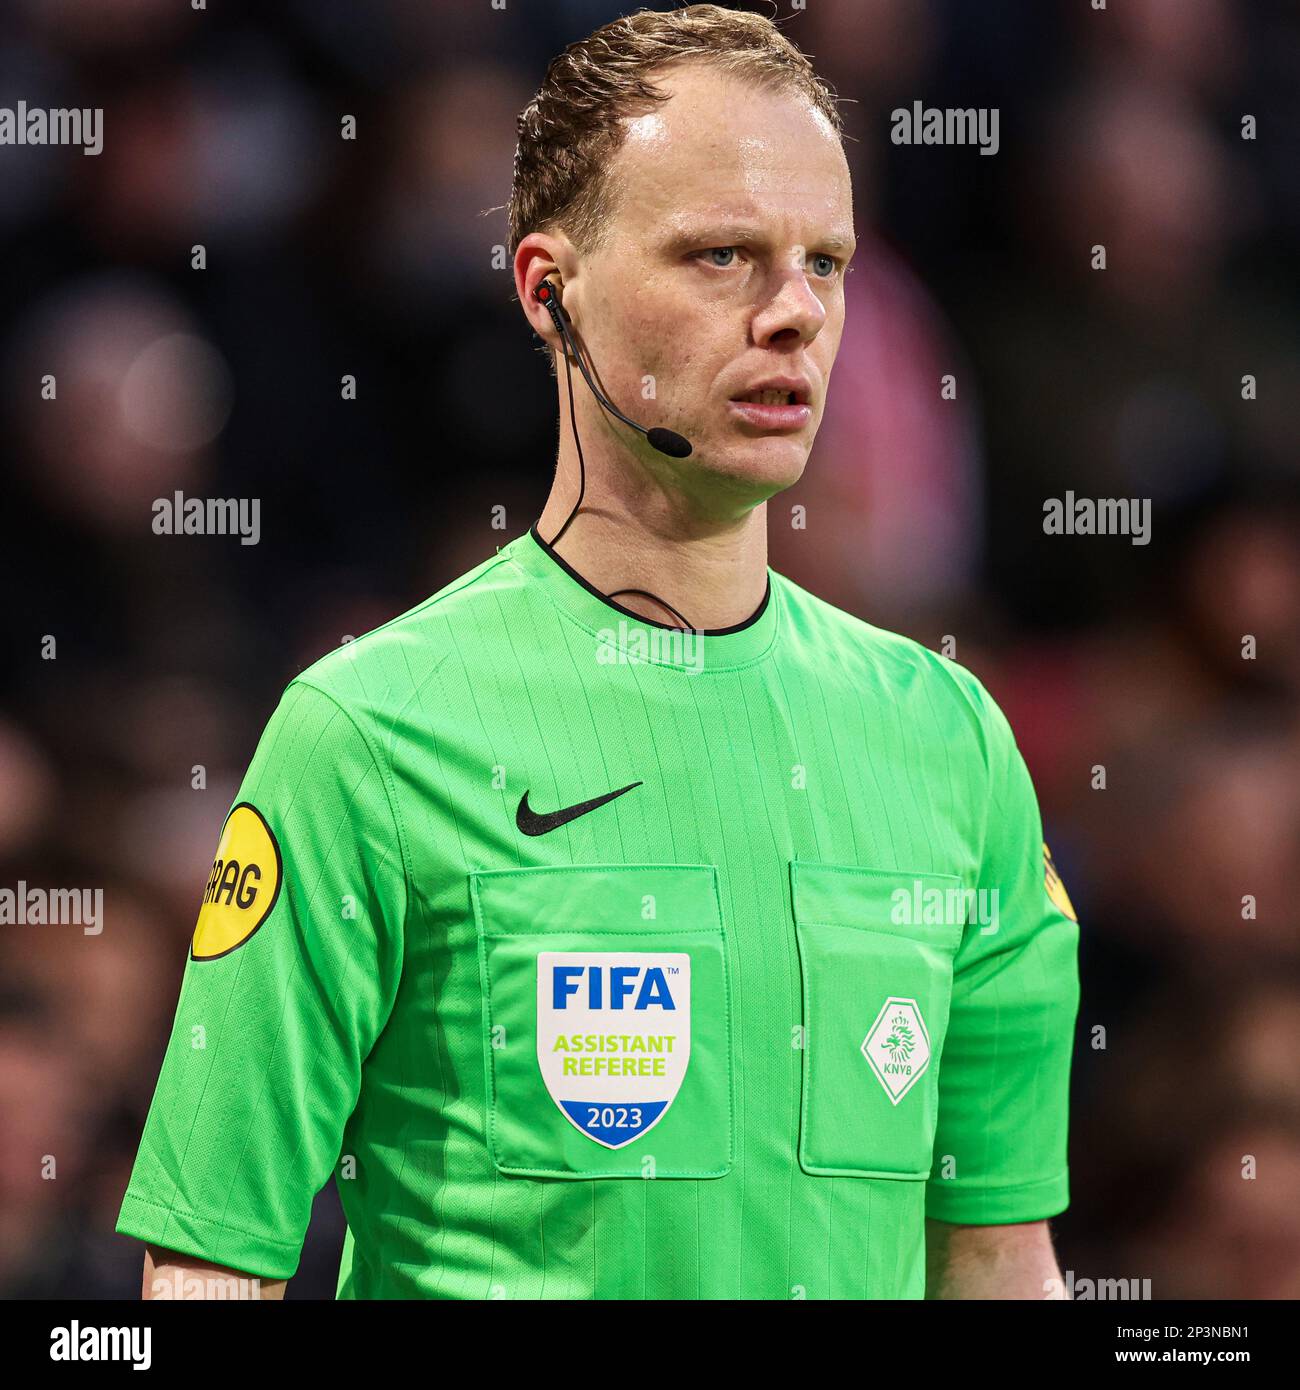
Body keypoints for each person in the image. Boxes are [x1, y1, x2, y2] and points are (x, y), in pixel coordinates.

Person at [118, 4, 1079, 1301]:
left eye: (827, 263)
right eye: (722, 256)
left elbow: (1000, 1263)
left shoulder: (953, 742)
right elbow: (207, 1274)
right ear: (547, 290)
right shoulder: (372, 732)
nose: (794, 313)